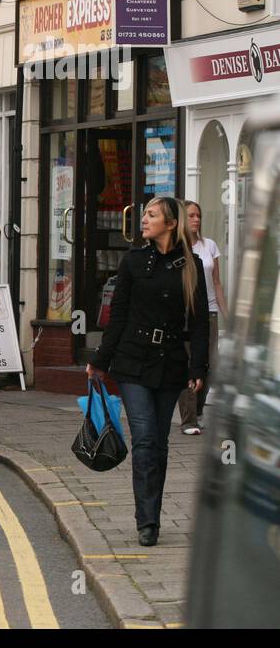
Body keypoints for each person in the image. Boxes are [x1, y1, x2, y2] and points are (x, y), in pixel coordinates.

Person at [86, 196, 209, 548]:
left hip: (171, 364)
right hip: (131, 362)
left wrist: (199, 366)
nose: (143, 220)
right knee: (143, 438)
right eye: (143, 214)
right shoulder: (133, 261)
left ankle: (151, 512)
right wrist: (100, 360)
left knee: (160, 444)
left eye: (151, 215)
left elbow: (199, 323)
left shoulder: (191, 265)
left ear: (170, 223)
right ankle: (148, 522)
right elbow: (117, 317)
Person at [178, 201, 225, 435]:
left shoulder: (210, 246)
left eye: (199, 215)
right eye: (191, 216)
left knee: (211, 365)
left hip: (209, 312)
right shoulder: (177, 248)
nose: (196, 220)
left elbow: (216, 282)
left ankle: (197, 411)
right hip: (185, 313)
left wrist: (227, 313)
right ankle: (188, 421)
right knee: (187, 364)